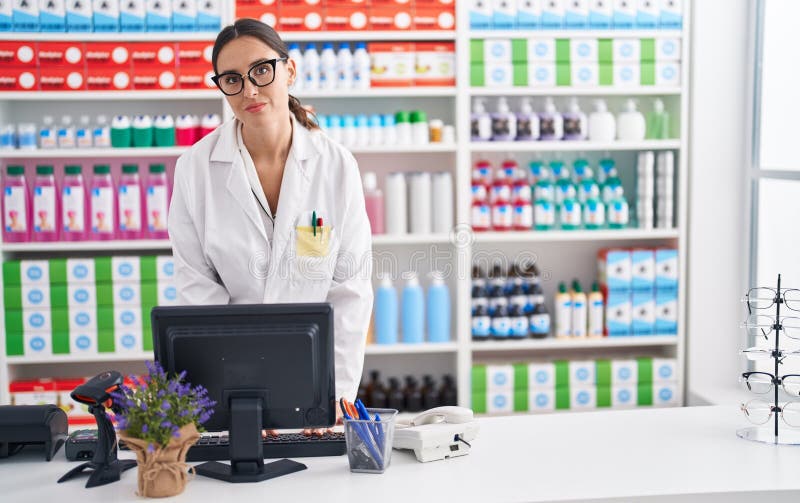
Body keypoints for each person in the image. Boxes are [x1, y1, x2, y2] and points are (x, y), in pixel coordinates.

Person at [167, 18, 373, 432]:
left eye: (261, 70)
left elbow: (350, 288)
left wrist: (336, 393)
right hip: (233, 384)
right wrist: (235, 392)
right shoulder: (195, 168)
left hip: (319, 387)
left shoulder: (335, 166)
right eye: (232, 79)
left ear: (289, 70)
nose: (249, 90)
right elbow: (198, 290)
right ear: (221, 87)